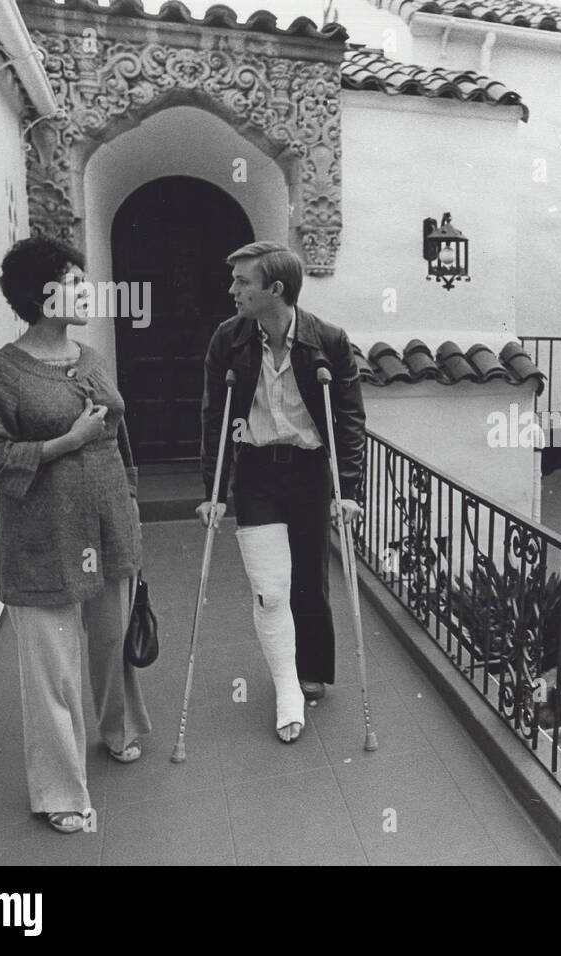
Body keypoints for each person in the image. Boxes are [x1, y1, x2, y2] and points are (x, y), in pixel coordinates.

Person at [0, 237, 150, 834]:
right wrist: (63, 444)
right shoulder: (0, 374)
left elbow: (119, 438)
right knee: (52, 668)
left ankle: (118, 729)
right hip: (42, 537)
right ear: (45, 297)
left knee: (109, 641)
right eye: (74, 281)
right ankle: (59, 791)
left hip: (108, 524)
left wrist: (130, 500)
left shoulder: (92, 358)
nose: (86, 291)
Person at [197, 241, 365, 744]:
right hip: (256, 474)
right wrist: (214, 489)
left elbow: (350, 419)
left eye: (242, 282)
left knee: (310, 582)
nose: (232, 290)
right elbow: (215, 416)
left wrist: (348, 489)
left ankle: (311, 670)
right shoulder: (228, 339)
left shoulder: (329, 341)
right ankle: (287, 689)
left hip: (310, 470)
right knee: (271, 589)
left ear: (276, 289)